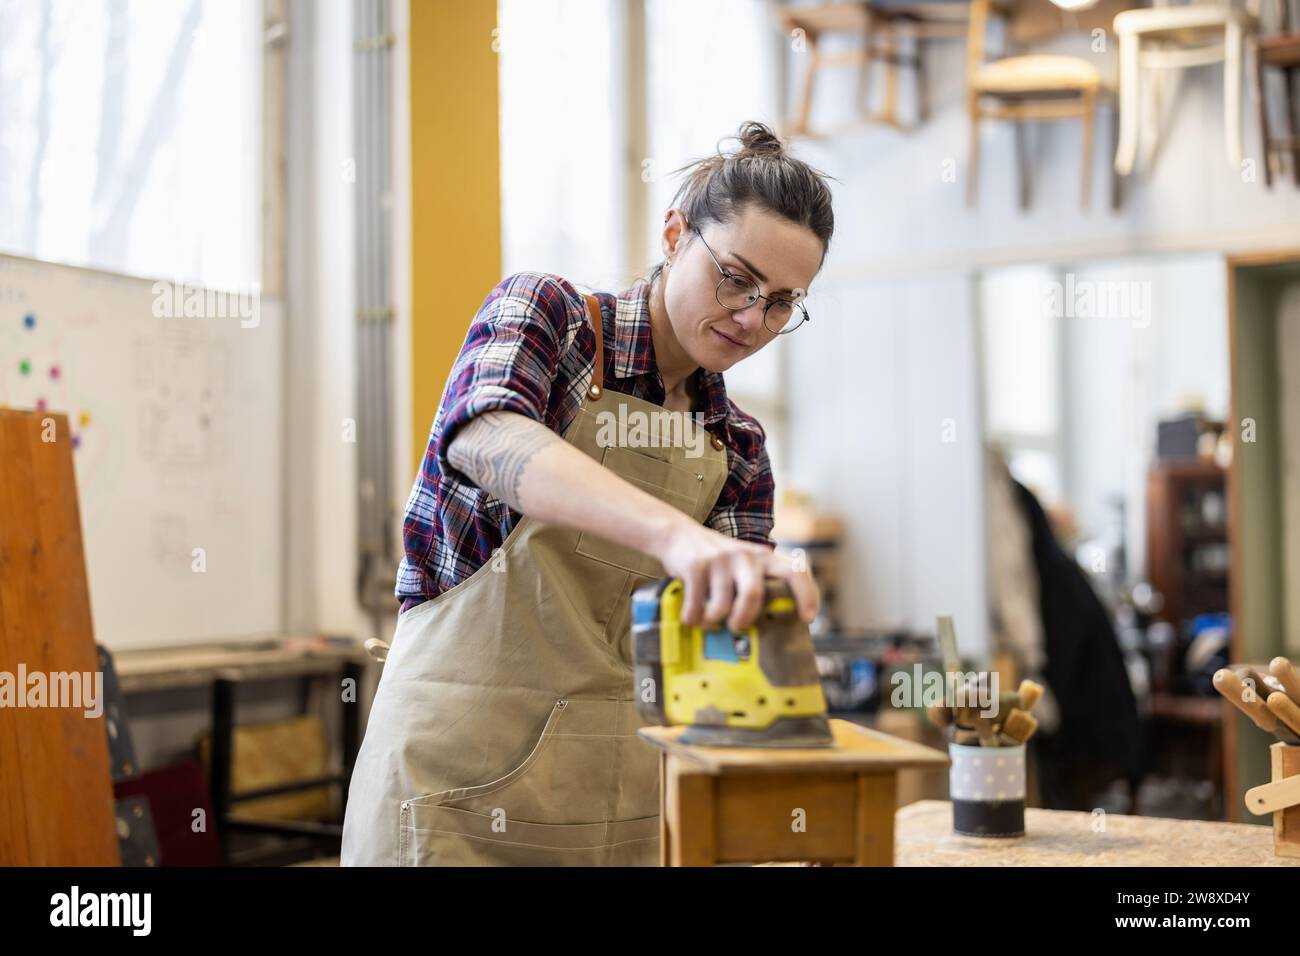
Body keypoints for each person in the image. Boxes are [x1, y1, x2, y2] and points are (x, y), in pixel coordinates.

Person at [341, 121, 836, 865]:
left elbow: (720, 667)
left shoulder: (736, 443)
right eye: (735, 278)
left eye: (781, 303)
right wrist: (676, 536)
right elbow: (486, 435)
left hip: (614, 814)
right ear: (675, 233)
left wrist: (770, 630)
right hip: (451, 800)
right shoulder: (553, 318)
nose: (750, 318)